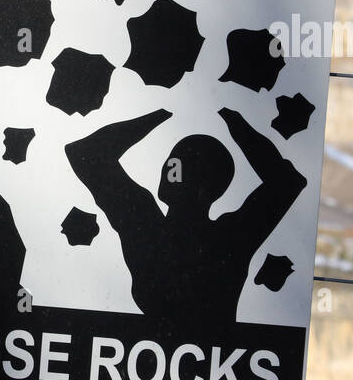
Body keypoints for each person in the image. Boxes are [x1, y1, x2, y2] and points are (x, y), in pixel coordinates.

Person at [65, 107, 306, 326]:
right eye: (170, 162)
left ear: (204, 187)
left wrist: (236, 123)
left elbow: (287, 182)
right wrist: (157, 114)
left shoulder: (226, 237)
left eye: (178, 166)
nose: (168, 168)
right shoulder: (144, 220)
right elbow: (85, 153)